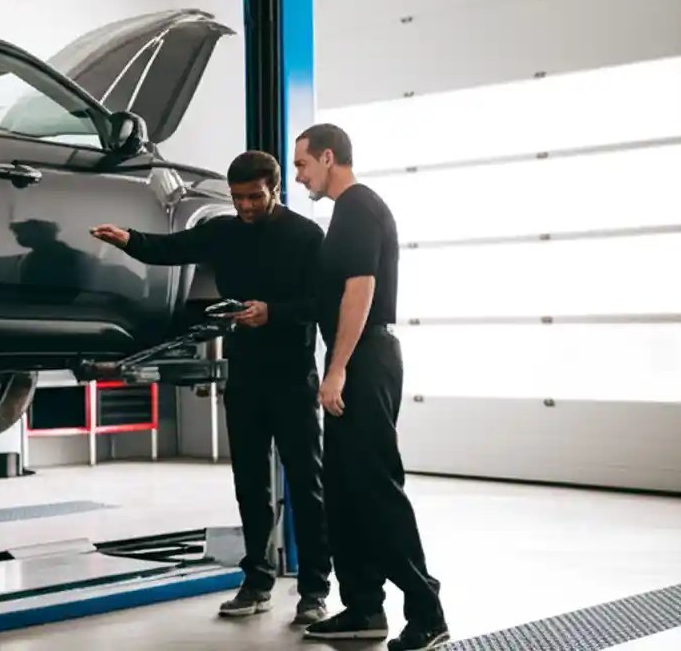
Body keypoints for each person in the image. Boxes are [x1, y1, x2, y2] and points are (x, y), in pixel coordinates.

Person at [90, 150, 332, 626]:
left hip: (293, 375)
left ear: (275, 190)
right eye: (238, 197)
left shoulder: (305, 236)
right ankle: (257, 580)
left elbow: (321, 302)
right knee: (249, 482)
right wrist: (127, 240)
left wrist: (273, 313)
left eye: (254, 197)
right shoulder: (223, 230)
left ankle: (315, 590)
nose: (244, 206)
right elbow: (170, 247)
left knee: (307, 483)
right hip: (245, 373)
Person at [292, 124, 449, 650]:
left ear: (328, 157)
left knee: (375, 488)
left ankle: (427, 611)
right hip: (354, 359)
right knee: (342, 490)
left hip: (365, 360)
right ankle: (363, 606)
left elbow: (361, 291)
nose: (299, 175)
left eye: (303, 165)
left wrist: (337, 368)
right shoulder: (346, 211)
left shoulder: (358, 206)